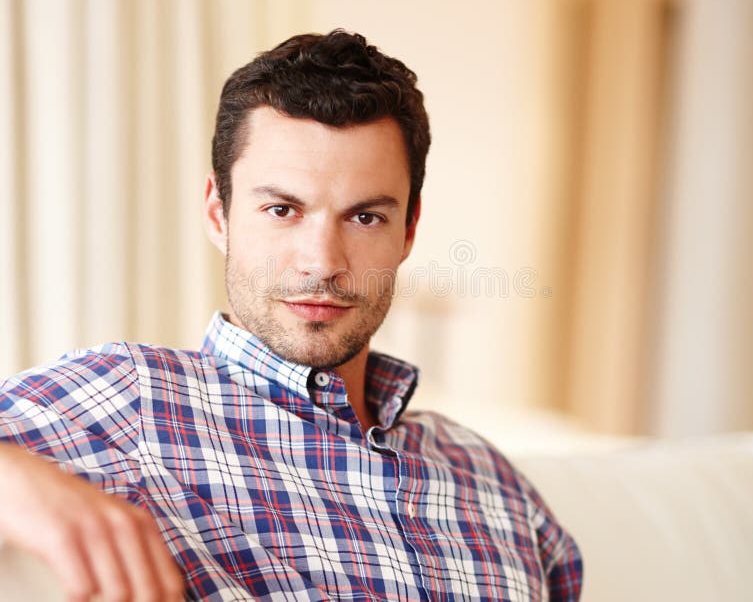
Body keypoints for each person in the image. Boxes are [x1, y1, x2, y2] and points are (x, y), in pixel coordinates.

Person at [0, 30, 583, 601]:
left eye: (366, 218)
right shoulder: (127, 397)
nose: (322, 264)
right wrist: (18, 486)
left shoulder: (494, 484)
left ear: (408, 230)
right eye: (282, 209)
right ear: (218, 213)